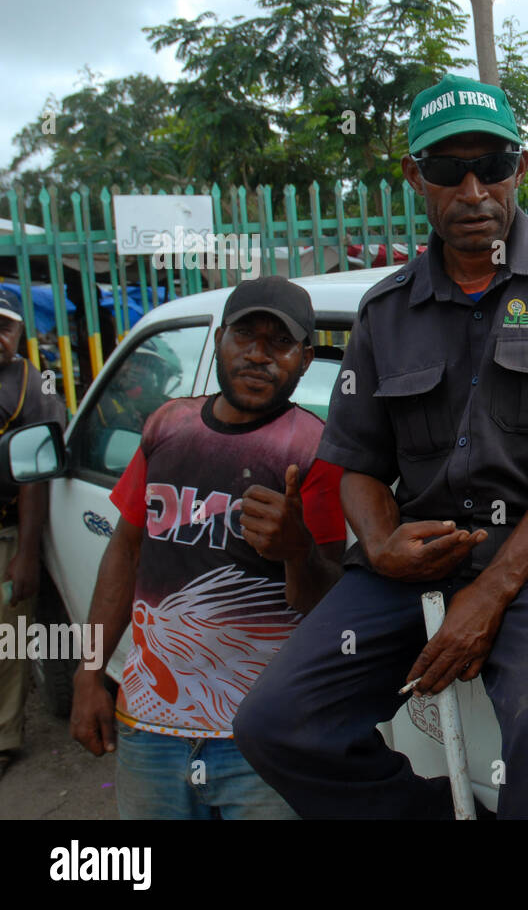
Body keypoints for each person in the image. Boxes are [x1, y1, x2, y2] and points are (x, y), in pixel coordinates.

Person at [233, 73, 528, 819]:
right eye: (445, 169)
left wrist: (492, 590)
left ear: (521, 167)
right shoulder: (386, 308)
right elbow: (356, 460)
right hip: (415, 562)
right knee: (276, 724)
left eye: (490, 166)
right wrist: (383, 540)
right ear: (413, 177)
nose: (471, 189)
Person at [69, 276, 346, 818]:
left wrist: (297, 550)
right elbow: (125, 553)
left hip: (259, 737)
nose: (259, 355)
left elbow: (328, 607)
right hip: (150, 727)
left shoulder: (315, 451)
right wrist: (88, 673)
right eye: (246, 335)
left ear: (306, 358)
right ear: (219, 339)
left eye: (281, 343)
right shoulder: (166, 427)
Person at [0, 290, 67, 781]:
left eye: (4, 327)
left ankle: (4, 738)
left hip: (4, 533)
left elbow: (37, 474)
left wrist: (25, 553)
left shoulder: (33, 386)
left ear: (19, 333)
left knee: (7, 639)